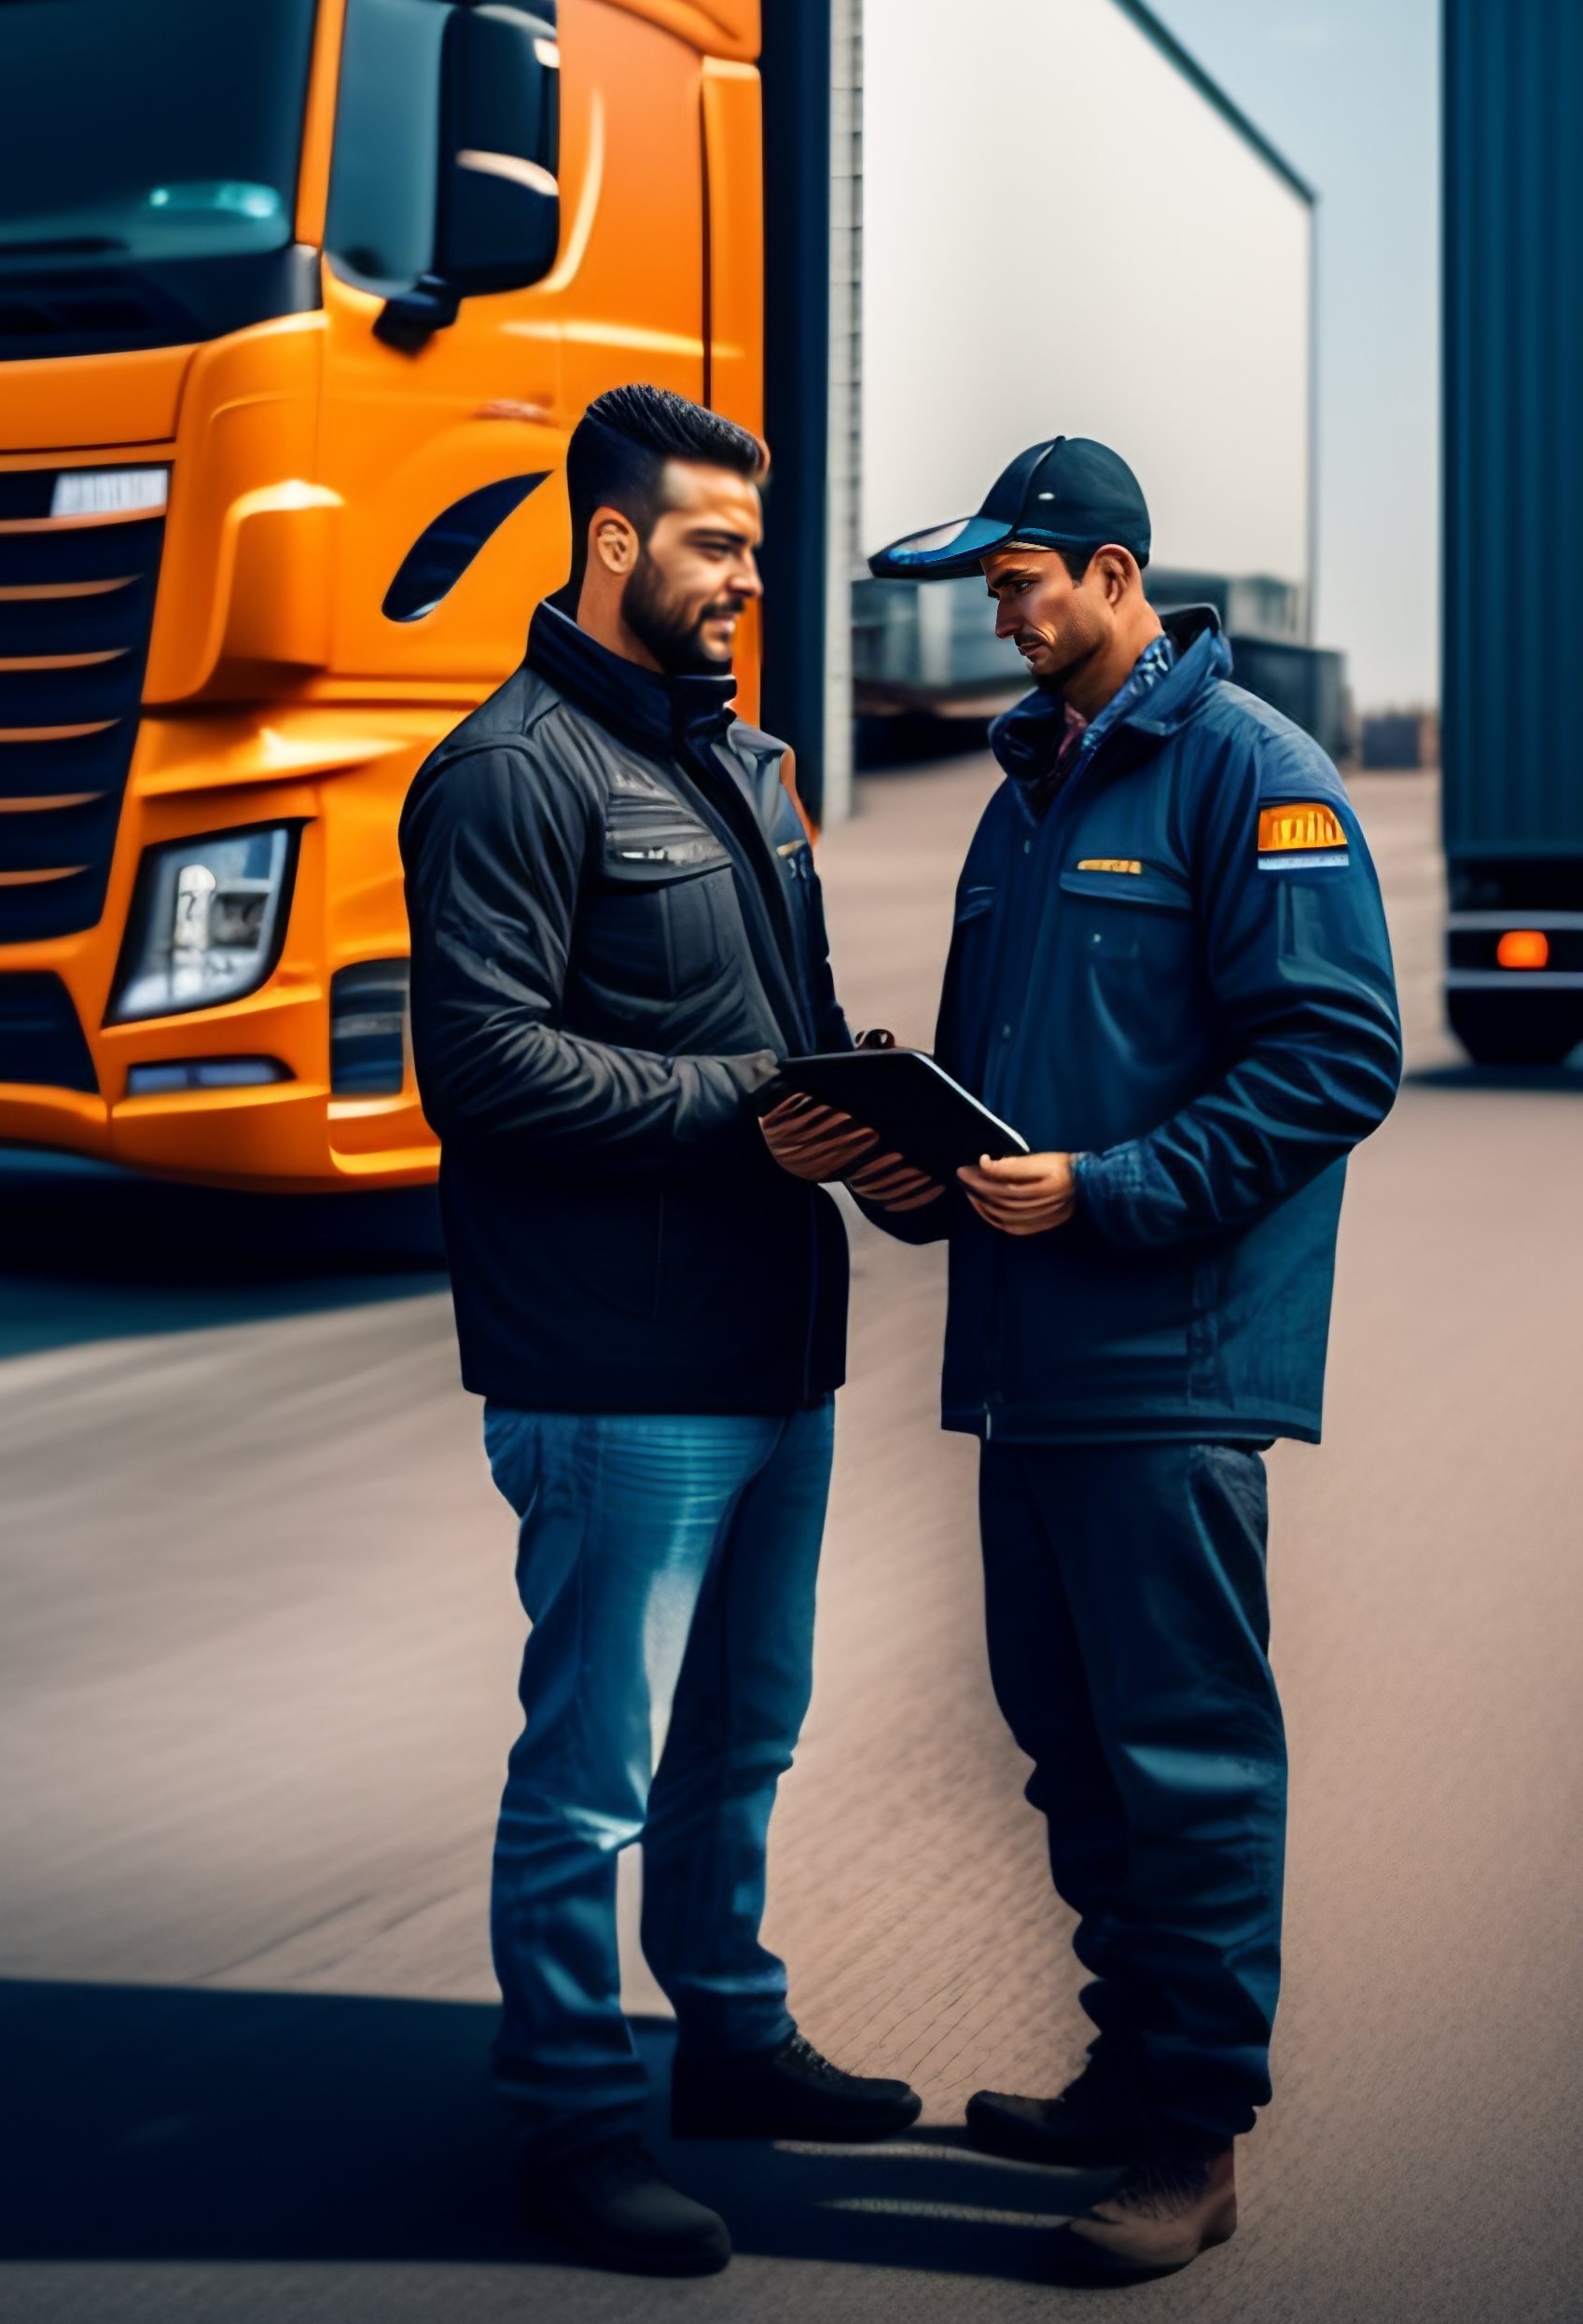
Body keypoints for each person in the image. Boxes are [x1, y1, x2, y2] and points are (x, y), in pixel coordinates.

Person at [761, 436, 1403, 2282]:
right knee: (1068, 1744)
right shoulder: (1033, 786)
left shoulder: (1249, 780)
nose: (998, 608)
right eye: (987, 584)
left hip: (1168, 1359)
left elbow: (1331, 1056)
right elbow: (1003, 1096)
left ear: (1116, 575)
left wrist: (1112, 1187)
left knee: (1182, 1753)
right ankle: (1131, 2067)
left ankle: (1192, 2141)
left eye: (1024, 577)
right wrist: (898, 1164)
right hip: (1031, 1356)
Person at [399, 384, 925, 2280]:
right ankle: (566, 2122)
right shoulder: (511, 773)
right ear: (611, 541)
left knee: (739, 1738)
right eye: (711, 545)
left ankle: (731, 2036)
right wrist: (742, 1114)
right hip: (613, 1374)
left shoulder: (746, 762)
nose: (740, 583)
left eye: (753, 551)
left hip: (773, 1346)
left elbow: (793, 1016)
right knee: (594, 1773)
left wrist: (888, 1135)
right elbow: (474, 1065)